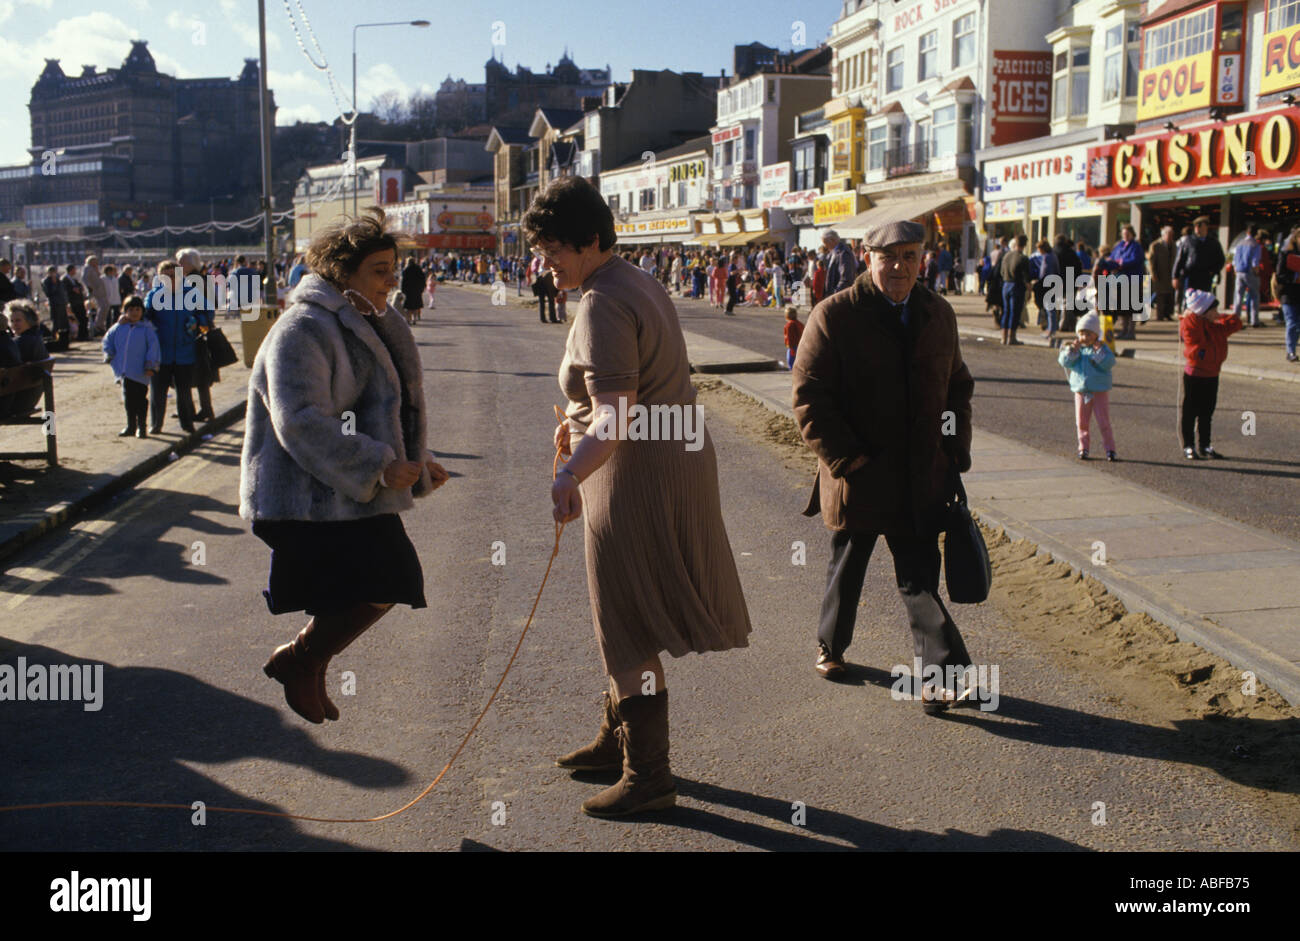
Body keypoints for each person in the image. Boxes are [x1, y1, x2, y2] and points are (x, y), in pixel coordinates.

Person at [532, 175, 751, 817]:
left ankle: (649, 776)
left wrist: (570, 471)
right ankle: (616, 740)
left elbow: (615, 414)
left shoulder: (601, 301)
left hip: (635, 472)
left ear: (590, 240)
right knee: (623, 611)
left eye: (554, 251)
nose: (546, 264)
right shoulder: (632, 278)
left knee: (625, 621)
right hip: (667, 456)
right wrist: (574, 422)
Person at [240, 208, 449, 725]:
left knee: (390, 579)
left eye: (392, 269)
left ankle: (304, 660)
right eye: (379, 270)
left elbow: (384, 412)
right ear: (341, 273)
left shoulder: (369, 321)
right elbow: (301, 421)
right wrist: (378, 466)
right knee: (388, 577)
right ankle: (302, 660)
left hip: (344, 493)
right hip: (303, 498)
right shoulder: (302, 328)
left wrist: (413, 465)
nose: (391, 281)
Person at [792, 220, 976, 714]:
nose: (899, 267)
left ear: (923, 260)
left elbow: (957, 386)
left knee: (919, 576)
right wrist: (847, 458)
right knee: (848, 566)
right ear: (865, 256)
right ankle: (831, 646)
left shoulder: (938, 313)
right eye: (888, 257)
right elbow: (809, 397)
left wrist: (953, 447)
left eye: (910, 256)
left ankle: (942, 677)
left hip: (920, 474)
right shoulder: (835, 315)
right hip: (860, 475)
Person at [144, 259, 209, 434]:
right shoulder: (153, 296)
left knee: (184, 391)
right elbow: (144, 317)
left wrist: (197, 321)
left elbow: (207, 313)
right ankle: (156, 424)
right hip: (160, 353)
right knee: (158, 392)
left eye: (173, 276)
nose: (170, 280)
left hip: (185, 351)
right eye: (165, 277)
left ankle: (187, 423)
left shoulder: (191, 294)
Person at [1179, 288, 1242, 460]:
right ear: (1202, 312)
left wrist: (1218, 316)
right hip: (1195, 374)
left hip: (1212, 374)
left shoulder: (1215, 326)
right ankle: (1189, 445)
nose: (1217, 312)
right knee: (1191, 411)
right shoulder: (1191, 323)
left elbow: (1236, 322)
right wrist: (1196, 313)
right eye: (1213, 309)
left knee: (1207, 412)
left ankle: (1205, 445)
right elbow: (1194, 337)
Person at [1058, 311, 1117, 461]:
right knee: (1081, 422)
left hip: (1099, 390)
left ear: (1096, 334)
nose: (1085, 338)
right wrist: (1071, 351)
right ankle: (1083, 447)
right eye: (1082, 334)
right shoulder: (1076, 349)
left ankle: (1110, 449)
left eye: (1089, 334)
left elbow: (1109, 363)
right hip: (1081, 391)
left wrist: (1099, 354)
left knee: (1103, 421)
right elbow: (1064, 362)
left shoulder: (1103, 349)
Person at [101, 294, 160, 438]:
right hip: (125, 371)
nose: (134, 313)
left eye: (137, 310)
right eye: (131, 309)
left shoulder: (147, 329)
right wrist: (109, 355)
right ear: (125, 311)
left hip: (141, 371)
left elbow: (153, 349)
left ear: (142, 311)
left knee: (141, 400)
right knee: (128, 400)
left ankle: (142, 427)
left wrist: (151, 366)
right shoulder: (118, 328)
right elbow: (107, 341)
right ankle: (130, 426)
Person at [176, 248, 218, 422]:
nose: (178, 265)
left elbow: (206, 306)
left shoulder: (195, 281)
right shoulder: (195, 279)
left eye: (181, 261)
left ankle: (203, 409)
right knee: (198, 372)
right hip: (199, 328)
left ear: (191, 263)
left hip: (197, 330)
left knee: (198, 372)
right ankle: (194, 408)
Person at [2, 300, 49, 417]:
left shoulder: (20, 342)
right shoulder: (36, 338)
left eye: (18, 321)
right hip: (30, 398)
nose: (13, 325)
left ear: (29, 321)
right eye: (11, 321)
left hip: (15, 402)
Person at [1109, 224, 1145, 339]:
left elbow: (1136, 259)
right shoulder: (1119, 246)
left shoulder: (1136, 246)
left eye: (1127, 234)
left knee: (1132, 307)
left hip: (1132, 279)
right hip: (1120, 280)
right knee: (1122, 307)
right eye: (1124, 234)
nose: (1125, 236)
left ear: (1132, 234)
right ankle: (1123, 330)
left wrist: (1121, 262)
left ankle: (1131, 331)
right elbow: (1112, 257)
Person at [1173, 215, 1226, 294]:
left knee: (1204, 301)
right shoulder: (1188, 241)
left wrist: (1214, 270)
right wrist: (1175, 277)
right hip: (1190, 276)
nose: (1197, 228)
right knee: (1190, 301)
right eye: (1196, 226)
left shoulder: (1213, 242)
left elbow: (1221, 259)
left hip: (1206, 277)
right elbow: (1179, 259)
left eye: (1200, 226)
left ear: (1206, 227)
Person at [999, 234, 1030, 345]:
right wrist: (1029, 290)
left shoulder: (1007, 256)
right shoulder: (1023, 258)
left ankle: (1003, 336)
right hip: (1017, 286)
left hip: (1006, 285)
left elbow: (1002, 272)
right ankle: (1012, 337)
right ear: (1024, 245)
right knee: (1015, 312)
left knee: (1006, 311)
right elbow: (1026, 277)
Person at [1276, 227, 1300, 363]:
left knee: (1298, 324)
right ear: (1296, 239)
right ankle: (1290, 351)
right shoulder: (1286, 254)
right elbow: (1280, 275)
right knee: (1291, 322)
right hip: (1288, 293)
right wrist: (1293, 278)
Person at [1231, 225, 1262, 328]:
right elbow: (1255, 262)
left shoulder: (1239, 244)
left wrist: (1236, 269)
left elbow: (1234, 259)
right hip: (1250, 272)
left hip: (1239, 271)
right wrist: (1257, 272)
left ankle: (1236, 320)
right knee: (1254, 296)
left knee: (1238, 296)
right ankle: (1254, 320)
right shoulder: (1255, 245)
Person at [1148, 226, 1178, 321]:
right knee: (1160, 295)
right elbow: (1151, 261)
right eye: (1168, 235)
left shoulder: (1174, 245)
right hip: (1160, 273)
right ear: (1163, 235)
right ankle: (1159, 315)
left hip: (1170, 274)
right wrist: (1153, 274)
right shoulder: (1155, 245)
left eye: (1171, 235)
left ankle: (1168, 314)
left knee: (1169, 295)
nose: (1170, 237)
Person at [41, 267, 70, 350]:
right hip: (54, 303)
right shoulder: (46, 281)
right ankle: (55, 338)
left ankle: (64, 339)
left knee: (63, 322)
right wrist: (53, 284)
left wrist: (66, 302)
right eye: (52, 272)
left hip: (61, 303)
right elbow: (48, 293)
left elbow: (63, 291)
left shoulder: (59, 280)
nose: (54, 274)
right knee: (56, 321)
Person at [821, 229, 856, 296]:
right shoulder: (835, 252)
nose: (824, 246)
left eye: (825, 242)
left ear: (832, 240)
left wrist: (836, 295)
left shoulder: (843, 253)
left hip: (838, 296)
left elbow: (845, 278)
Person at [83, 256, 110, 337]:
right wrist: (89, 287)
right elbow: (85, 279)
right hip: (96, 291)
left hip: (100, 291)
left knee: (106, 306)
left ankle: (100, 324)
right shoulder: (88, 268)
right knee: (103, 306)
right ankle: (97, 325)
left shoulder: (94, 269)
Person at [62, 263, 89, 342]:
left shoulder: (74, 279)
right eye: (74, 269)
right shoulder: (65, 279)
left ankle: (83, 335)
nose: (75, 271)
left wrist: (78, 289)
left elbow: (80, 287)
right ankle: (80, 336)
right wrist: (73, 290)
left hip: (79, 301)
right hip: (73, 301)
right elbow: (67, 290)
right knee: (78, 318)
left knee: (83, 318)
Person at [400, 255, 425, 326]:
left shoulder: (406, 270)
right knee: (416, 306)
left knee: (408, 307)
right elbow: (423, 279)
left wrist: (403, 290)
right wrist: (422, 288)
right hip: (417, 290)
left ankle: (408, 319)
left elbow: (403, 281)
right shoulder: (418, 269)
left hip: (408, 290)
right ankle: (414, 319)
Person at [783, 304, 803, 370]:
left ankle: (791, 370)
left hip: (792, 345)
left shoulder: (789, 325)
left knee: (791, 360)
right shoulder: (799, 323)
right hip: (800, 344)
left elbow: (789, 337)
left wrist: (790, 346)